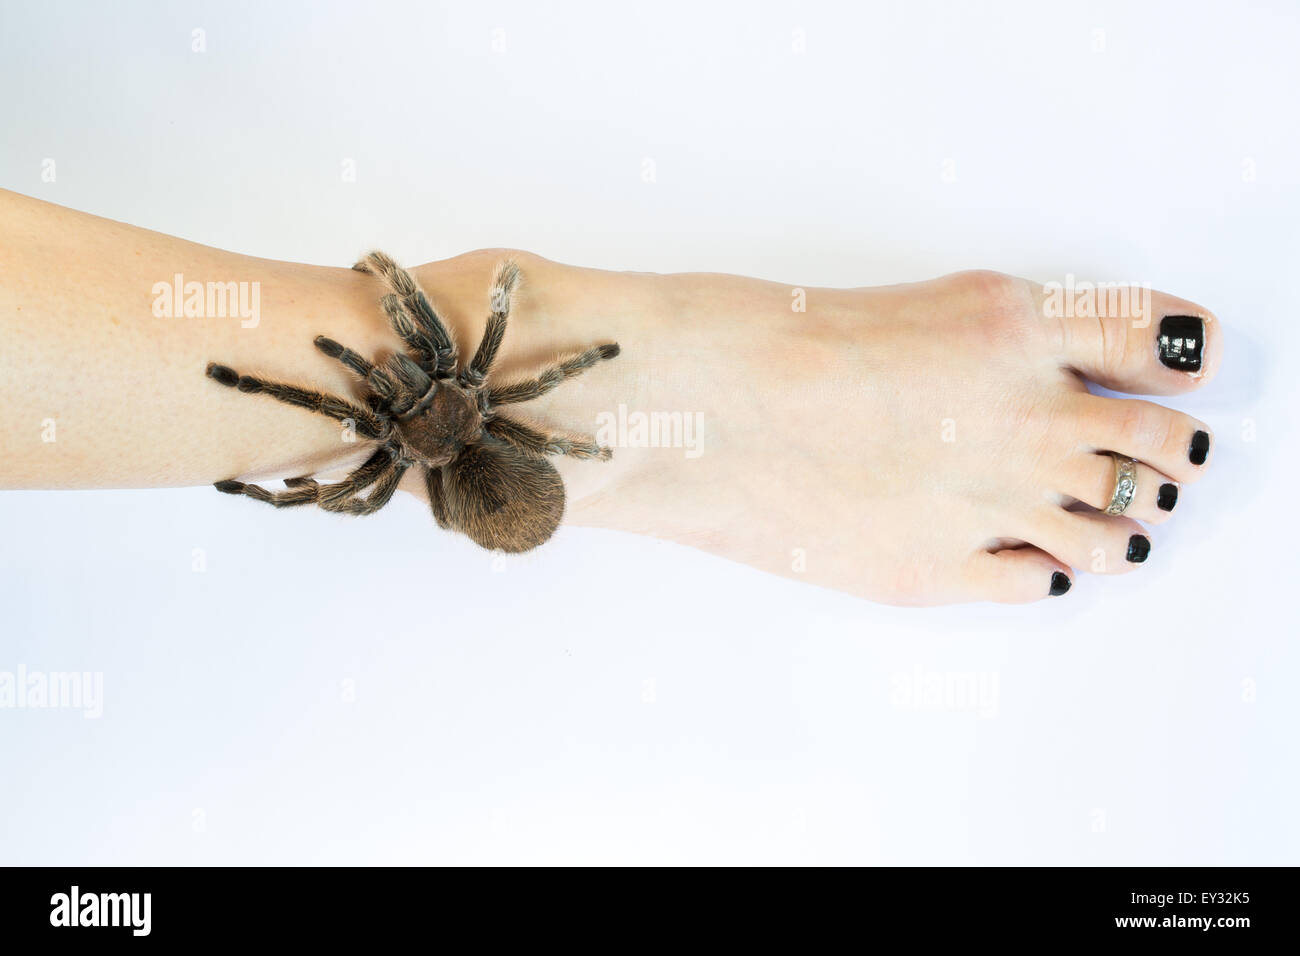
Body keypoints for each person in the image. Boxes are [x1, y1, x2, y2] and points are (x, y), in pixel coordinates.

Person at [0, 188, 1218, 605]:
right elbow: (358, 479)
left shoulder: (445, 422)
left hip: (475, 448)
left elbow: (356, 487)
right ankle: (622, 423)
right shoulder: (478, 386)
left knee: (362, 426)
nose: (414, 379)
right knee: (348, 410)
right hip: (488, 442)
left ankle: (614, 388)